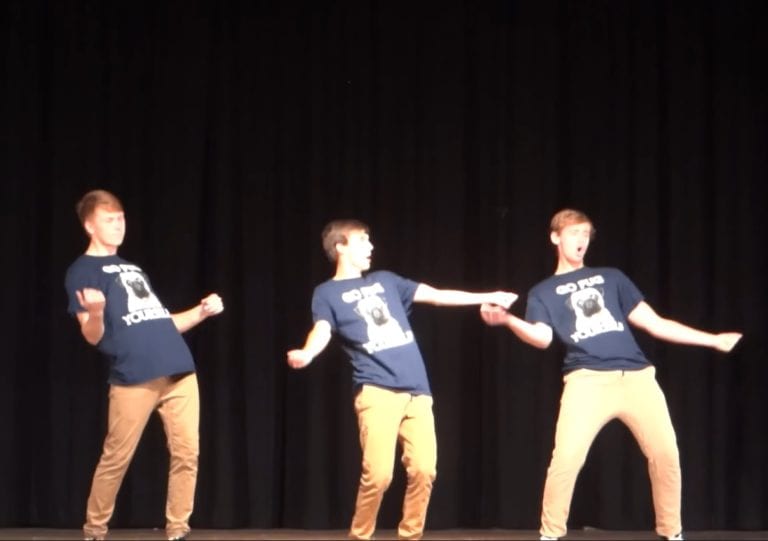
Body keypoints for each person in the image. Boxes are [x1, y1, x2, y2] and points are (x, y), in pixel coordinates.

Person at [479, 209, 743, 541]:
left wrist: (713, 339)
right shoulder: (543, 292)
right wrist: (508, 321)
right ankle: (549, 535)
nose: (581, 241)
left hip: (637, 378)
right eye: (574, 233)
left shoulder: (612, 277)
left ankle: (672, 533)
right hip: (586, 380)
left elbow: (654, 323)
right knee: (566, 458)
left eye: (586, 235)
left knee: (665, 454)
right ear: (555, 237)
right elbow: (542, 338)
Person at [286, 219, 517, 541]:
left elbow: (437, 296)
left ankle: (410, 535)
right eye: (362, 241)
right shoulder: (327, 293)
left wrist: (486, 295)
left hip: (417, 392)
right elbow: (323, 329)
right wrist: (308, 353)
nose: (371, 247)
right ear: (340, 247)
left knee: (425, 470)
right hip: (377, 390)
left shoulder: (386, 281)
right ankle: (360, 536)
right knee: (378, 475)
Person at [64, 189, 224, 541]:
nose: (119, 225)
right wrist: (95, 313)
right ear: (90, 225)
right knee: (117, 456)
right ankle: (94, 529)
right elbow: (92, 336)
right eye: (109, 220)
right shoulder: (82, 271)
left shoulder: (132, 268)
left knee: (188, 454)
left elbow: (159, 321)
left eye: (121, 218)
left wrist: (201, 311)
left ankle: (178, 528)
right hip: (135, 376)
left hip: (179, 369)